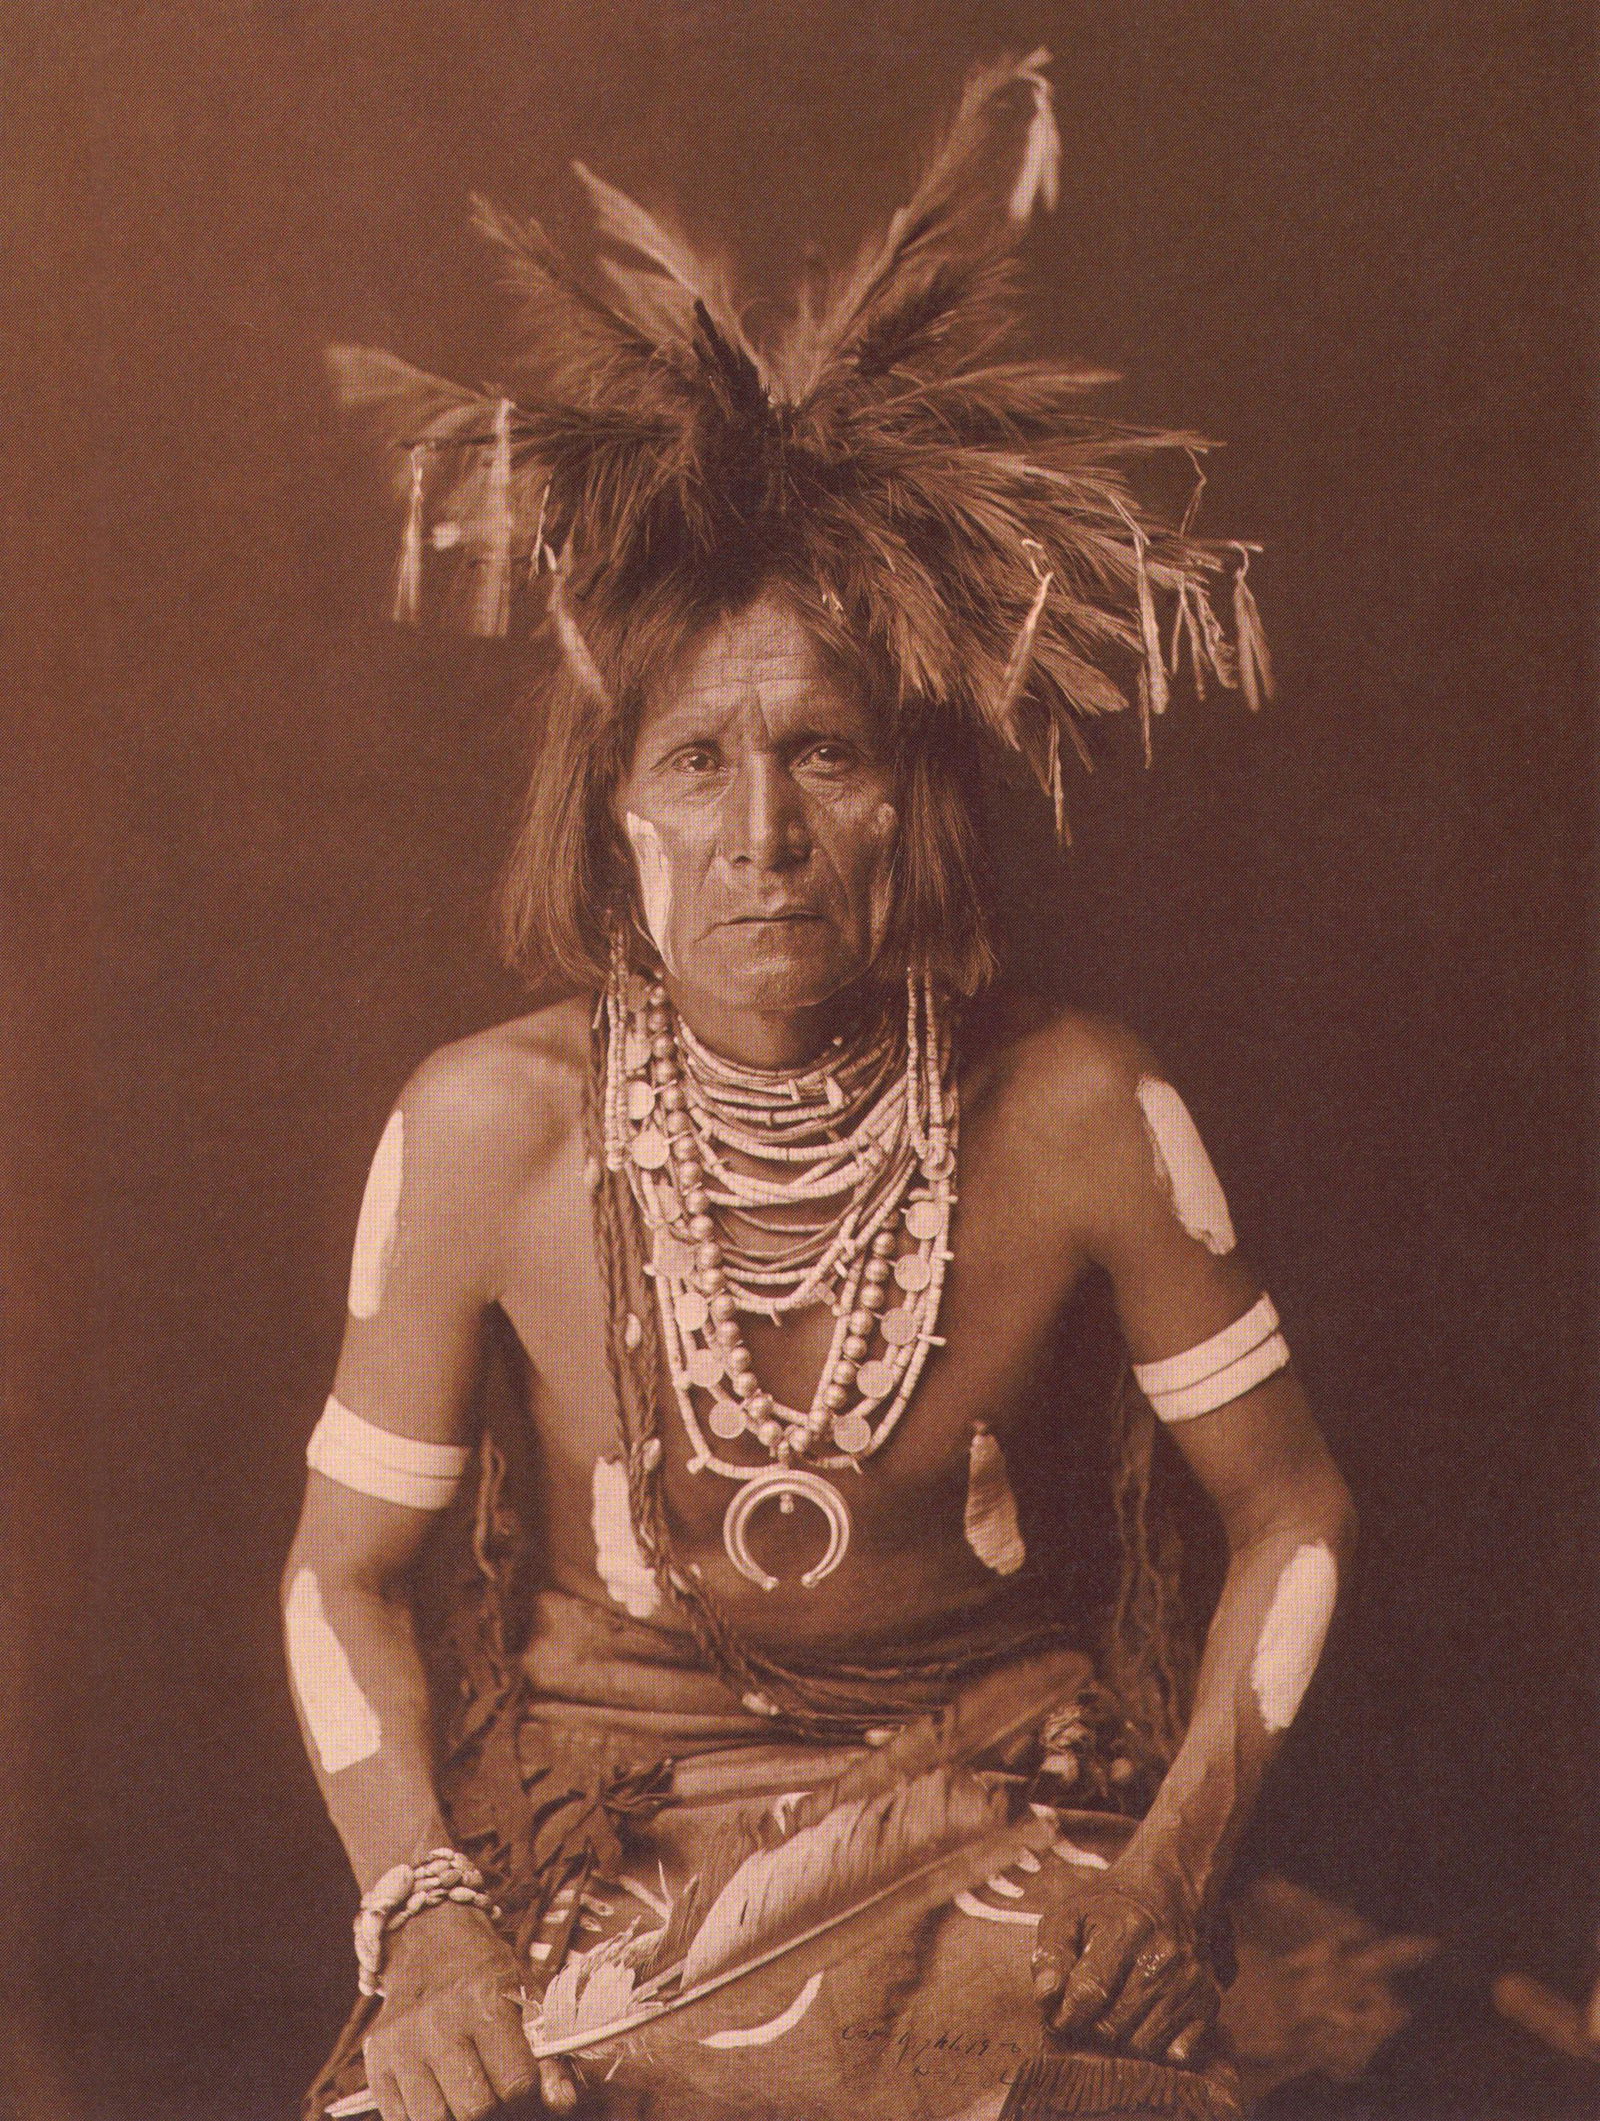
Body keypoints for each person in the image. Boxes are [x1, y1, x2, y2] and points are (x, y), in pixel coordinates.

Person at [286, 52, 1354, 2121]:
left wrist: (1175, 1861)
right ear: (613, 818)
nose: (764, 829)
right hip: (587, 1828)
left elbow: (1290, 1506)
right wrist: (419, 1911)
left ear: (907, 803)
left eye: (828, 756)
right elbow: (334, 1566)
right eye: (699, 760)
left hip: (995, 1791)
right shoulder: (488, 1130)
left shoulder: (1067, 1108)